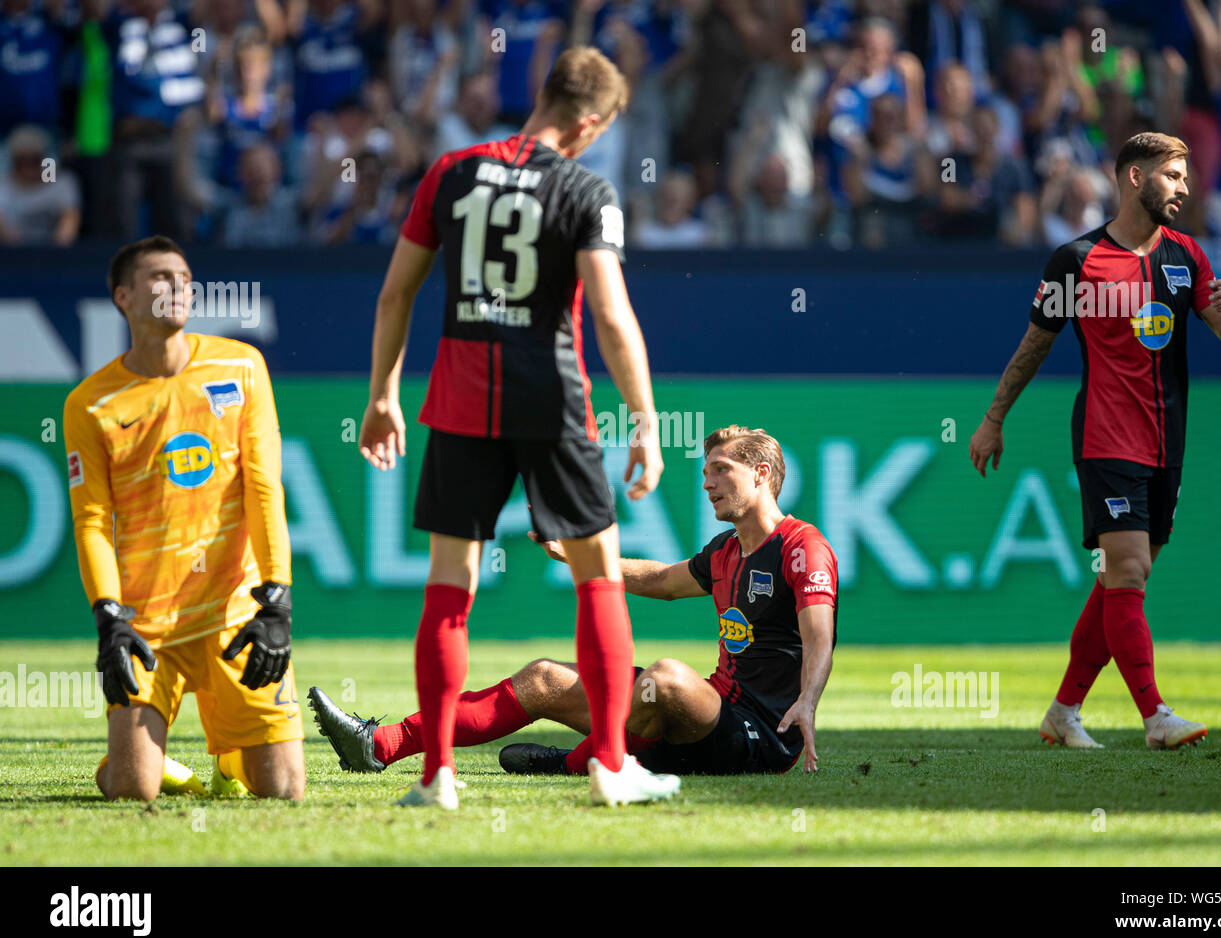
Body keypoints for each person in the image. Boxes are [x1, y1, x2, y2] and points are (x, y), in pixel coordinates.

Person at [359, 46, 676, 809]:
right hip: (551, 399)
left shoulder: (451, 172)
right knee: (598, 575)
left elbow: (395, 294)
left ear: (543, 96)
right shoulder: (586, 189)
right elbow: (610, 315)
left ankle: (437, 775)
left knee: (450, 586)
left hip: (461, 399)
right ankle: (610, 766)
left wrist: (383, 395)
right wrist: (645, 418)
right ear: (591, 123)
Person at [309, 427, 837, 777]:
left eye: (720, 470)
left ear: (761, 473)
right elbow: (661, 579)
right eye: (705, 472)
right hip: (702, 719)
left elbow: (819, 637)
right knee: (543, 677)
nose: (707, 482)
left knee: (666, 679)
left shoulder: (801, 547)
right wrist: (577, 556)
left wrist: (808, 702)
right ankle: (379, 744)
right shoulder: (726, 550)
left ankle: (572, 764)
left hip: (764, 735)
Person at [969, 132, 1221, 751]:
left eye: (1186, 177)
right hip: (1105, 437)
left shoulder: (1187, 255)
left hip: (1166, 444)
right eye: (1172, 175)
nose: (1184, 188)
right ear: (1134, 178)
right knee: (1127, 570)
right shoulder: (1076, 261)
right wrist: (994, 417)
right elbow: (1035, 343)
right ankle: (1156, 717)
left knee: (1118, 583)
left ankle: (1063, 711)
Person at [63, 235, 304, 801]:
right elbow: (92, 520)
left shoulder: (242, 366)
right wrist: (109, 617)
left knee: (283, 792)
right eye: (159, 277)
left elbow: (264, 489)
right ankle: (140, 760)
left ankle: (230, 758)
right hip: (148, 625)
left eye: (185, 278)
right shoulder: (90, 404)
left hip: (234, 613)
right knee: (132, 791)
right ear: (123, 297)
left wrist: (276, 599)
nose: (177, 286)